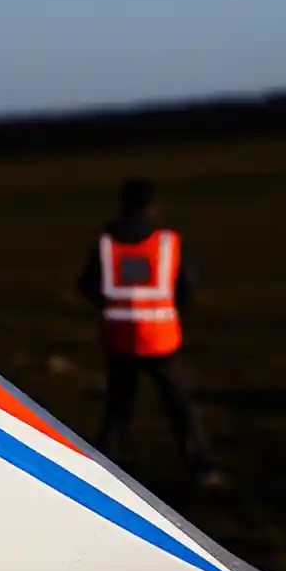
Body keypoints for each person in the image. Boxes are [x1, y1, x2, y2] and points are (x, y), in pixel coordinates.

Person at [77, 178, 218, 486]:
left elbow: (87, 285)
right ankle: (201, 467)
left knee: (117, 409)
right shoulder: (167, 243)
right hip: (159, 339)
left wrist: (112, 306)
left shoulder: (105, 243)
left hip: (119, 338)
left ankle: (103, 469)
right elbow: (186, 288)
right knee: (180, 407)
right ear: (153, 205)